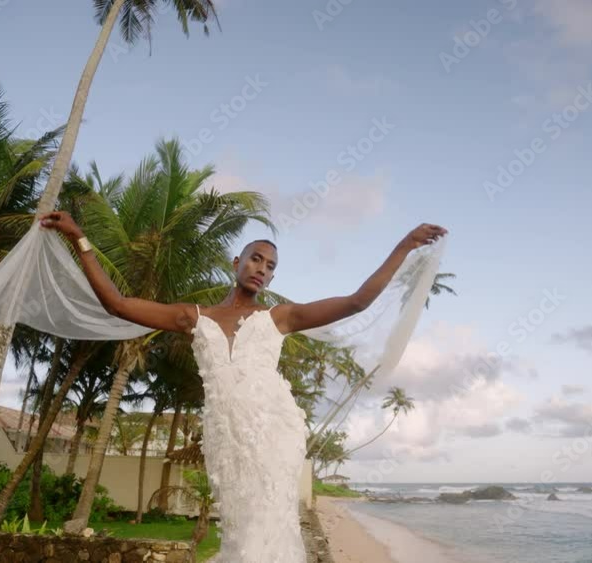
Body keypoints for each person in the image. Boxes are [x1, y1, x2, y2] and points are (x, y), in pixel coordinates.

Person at [39, 211, 446, 562]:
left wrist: (405, 244)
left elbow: (357, 302)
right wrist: (80, 238)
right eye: (256, 259)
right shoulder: (192, 316)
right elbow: (118, 304)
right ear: (237, 262)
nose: (261, 269)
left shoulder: (279, 318)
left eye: (270, 266)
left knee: (265, 530)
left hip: (274, 433)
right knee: (241, 530)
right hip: (226, 437)